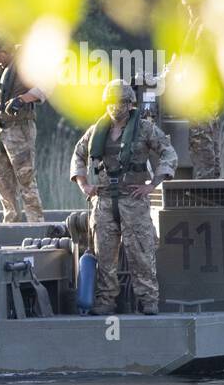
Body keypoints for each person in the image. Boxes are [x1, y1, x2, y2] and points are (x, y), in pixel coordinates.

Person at [70, 79, 178, 315]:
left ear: (130, 104)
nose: (114, 107)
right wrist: (84, 184)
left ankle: (148, 300)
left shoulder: (145, 129)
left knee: (141, 251)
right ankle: (106, 300)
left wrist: (154, 184)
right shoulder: (97, 130)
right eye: (110, 102)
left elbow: (168, 153)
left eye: (119, 102)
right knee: (104, 254)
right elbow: (78, 154)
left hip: (134, 199)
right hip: (105, 200)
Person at [0, 28, 45, 222]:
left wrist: (23, 99)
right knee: (1, 178)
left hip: (20, 128)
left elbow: (45, 87)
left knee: (25, 177)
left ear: (6, 49)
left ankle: (35, 222)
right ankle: (11, 220)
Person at [160, 0, 220, 178]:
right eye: (188, 7)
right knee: (206, 140)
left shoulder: (207, 29)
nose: (190, 11)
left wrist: (176, 77)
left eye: (193, 7)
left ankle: (206, 186)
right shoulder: (195, 27)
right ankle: (209, 182)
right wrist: (166, 74)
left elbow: (196, 62)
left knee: (202, 141)